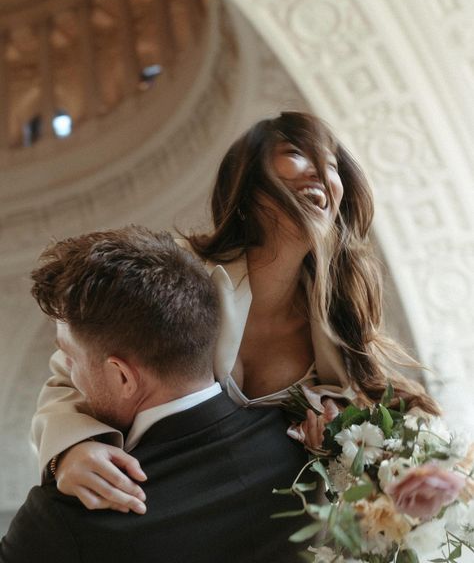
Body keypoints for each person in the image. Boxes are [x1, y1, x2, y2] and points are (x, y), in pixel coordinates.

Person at [31, 111, 439, 514]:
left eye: (331, 165)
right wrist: (70, 450)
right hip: (149, 502)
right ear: (246, 182)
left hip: (258, 523)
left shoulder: (339, 308)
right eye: (297, 152)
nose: (319, 171)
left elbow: (363, 401)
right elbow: (76, 361)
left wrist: (335, 415)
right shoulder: (180, 269)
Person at [0, 227, 309, 563]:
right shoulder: (306, 452)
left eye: (70, 357)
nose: (68, 373)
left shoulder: (67, 517)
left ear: (123, 377)